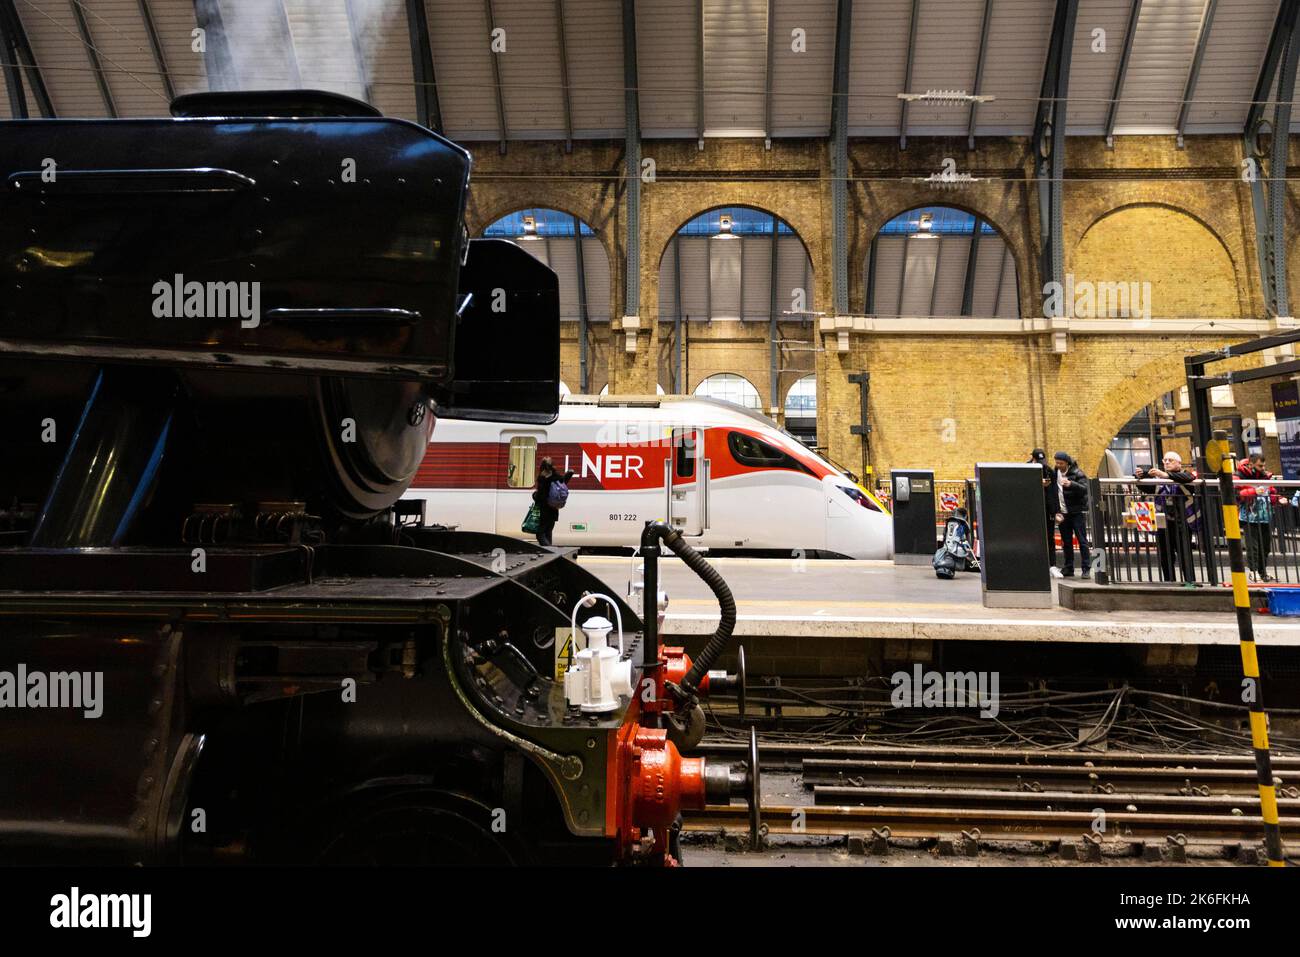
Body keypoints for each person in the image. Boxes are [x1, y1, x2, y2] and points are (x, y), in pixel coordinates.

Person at [1138, 451, 1197, 584]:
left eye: (1170, 460)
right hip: (1163, 523)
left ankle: (1190, 582)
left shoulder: (1185, 474)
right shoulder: (1159, 480)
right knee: (1165, 556)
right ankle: (1169, 582)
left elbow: (1188, 478)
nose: (1167, 462)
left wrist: (1165, 475)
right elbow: (1144, 487)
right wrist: (1140, 476)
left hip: (1183, 522)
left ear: (1179, 463)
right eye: (1165, 460)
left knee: (1184, 554)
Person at [1051, 451, 1092, 578]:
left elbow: (1085, 489)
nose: (1058, 465)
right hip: (1063, 513)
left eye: (1061, 463)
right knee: (1066, 541)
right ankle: (1069, 567)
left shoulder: (1077, 473)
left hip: (1076, 512)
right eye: (1057, 462)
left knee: (1082, 541)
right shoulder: (1055, 473)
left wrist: (1071, 484)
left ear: (1067, 462)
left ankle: (1086, 569)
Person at [1237, 453, 1276, 583]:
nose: (1263, 468)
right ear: (1251, 464)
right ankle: (1253, 572)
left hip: (1265, 516)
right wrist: (1254, 492)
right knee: (1253, 546)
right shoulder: (1240, 475)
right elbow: (1236, 494)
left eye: (1264, 465)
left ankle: (1262, 571)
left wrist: (1278, 498)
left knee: (1265, 547)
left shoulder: (1266, 476)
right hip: (1249, 517)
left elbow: (1272, 493)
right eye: (1260, 465)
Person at [532, 457, 573, 547]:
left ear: (542, 466)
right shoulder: (556, 476)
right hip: (554, 509)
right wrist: (569, 475)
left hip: (545, 510)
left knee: (540, 534)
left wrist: (534, 495)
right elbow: (563, 483)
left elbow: (541, 496)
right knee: (548, 532)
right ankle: (549, 554)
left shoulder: (543, 477)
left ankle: (551, 552)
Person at [1029, 448, 1055, 564]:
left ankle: (1052, 563)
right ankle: (1034, 562)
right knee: (1033, 537)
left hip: (1047, 508)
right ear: (1033, 459)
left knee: (1050, 537)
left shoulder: (1048, 470)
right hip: (1033, 509)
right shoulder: (1026, 470)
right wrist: (1037, 484)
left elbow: (1054, 491)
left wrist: (1055, 511)